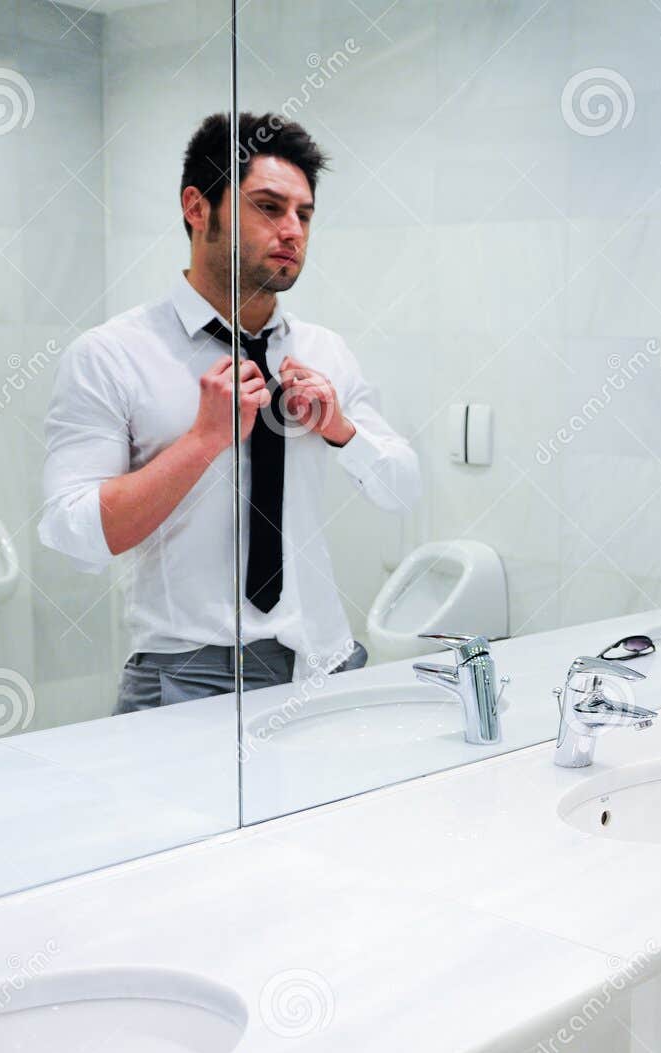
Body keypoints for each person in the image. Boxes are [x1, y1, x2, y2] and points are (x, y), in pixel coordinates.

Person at [39, 113, 420, 712]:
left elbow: (403, 490)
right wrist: (201, 441)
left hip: (326, 660)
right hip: (191, 675)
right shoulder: (112, 355)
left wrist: (343, 431)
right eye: (269, 207)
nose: (293, 230)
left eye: (305, 213)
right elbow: (75, 534)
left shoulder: (324, 351)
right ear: (197, 208)